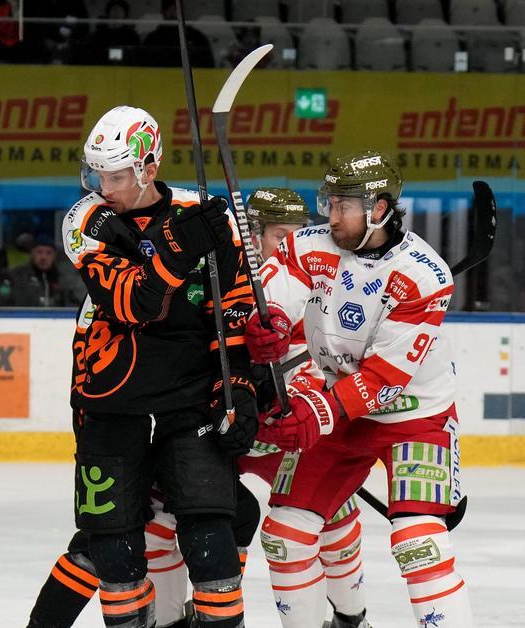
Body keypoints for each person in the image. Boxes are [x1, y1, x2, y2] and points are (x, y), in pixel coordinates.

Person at [32, 104, 255, 628]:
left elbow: (232, 304)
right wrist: (179, 247)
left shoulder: (200, 211)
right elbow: (134, 302)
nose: (102, 186)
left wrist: (239, 385)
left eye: (115, 175)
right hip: (110, 396)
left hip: (187, 395)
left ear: (149, 168)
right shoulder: (85, 220)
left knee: (211, 534)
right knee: (113, 545)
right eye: (96, 174)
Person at [245, 151, 473, 627]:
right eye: (329, 203)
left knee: (419, 542)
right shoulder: (307, 245)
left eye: (343, 206)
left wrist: (315, 414)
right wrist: (264, 326)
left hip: (415, 419)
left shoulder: (425, 277)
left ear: (380, 207)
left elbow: (383, 380)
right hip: (339, 406)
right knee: (285, 534)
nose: (330, 216)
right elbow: (275, 297)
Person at [236, 188, 373, 628]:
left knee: (332, 513)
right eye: (280, 235)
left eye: (300, 234)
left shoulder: (327, 277)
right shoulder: (231, 279)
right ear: (252, 235)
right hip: (245, 427)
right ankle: (211, 610)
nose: (293, 246)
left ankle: (352, 618)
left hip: (300, 421)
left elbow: (340, 365)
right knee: (220, 517)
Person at [0, 237, 84, 307]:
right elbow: (1, 303)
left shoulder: (60, 279)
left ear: (54, 256)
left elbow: (73, 304)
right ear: (31, 253)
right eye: (39, 252)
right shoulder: (14, 275)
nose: (44, 257)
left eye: (49, 253)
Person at [137, 0, 214, 68]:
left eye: (176, 9)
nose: (173, 12)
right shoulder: (152, 38)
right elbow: (143, 64)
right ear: (163, 12)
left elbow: (207, 64)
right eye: (169, 9)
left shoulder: (197, 37)